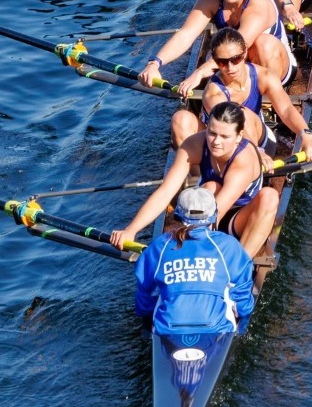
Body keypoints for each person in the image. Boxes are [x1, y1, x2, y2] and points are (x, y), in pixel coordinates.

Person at [114, 101, 283, 282]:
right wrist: (131, 230)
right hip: (206, 213)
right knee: (210, 187)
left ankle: (238, 268)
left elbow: (218, 210)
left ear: (239, 136)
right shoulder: (194, 144)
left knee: (269, 196)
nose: (216, 142)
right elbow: (166, 191)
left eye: (225, 136)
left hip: (240, 218)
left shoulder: (244, 160)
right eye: (212, 133)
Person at [142, 0, 294, 90]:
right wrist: (154, 63)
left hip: (274, 66)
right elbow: (186, 34)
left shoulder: (258, 4)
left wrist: (199, 72)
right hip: (235, 64)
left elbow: (237, 48)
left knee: (263, 44)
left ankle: (266, 101)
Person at [168, 27, 312, 161]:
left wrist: (305, 133)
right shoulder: (213, 94)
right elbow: (231, 128)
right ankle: (198, 181)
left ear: (245, 53)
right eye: (222, 62)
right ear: (215, 61)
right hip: (219, 145)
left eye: (236, 59)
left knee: (242, 115)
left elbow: (286, 110)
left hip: (257, 141)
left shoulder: (264, 76)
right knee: (181, 118)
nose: (230, 67)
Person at [131, 185, 255, 338]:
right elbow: (243, 296)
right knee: (230, 289)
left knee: (157, 291)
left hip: (167, 330)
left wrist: (145, 321)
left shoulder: (159, 246)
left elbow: (145, 295)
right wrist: (243, 322)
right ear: (214, 215)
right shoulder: (228, 245)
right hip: (216, 330)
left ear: (177, 215)